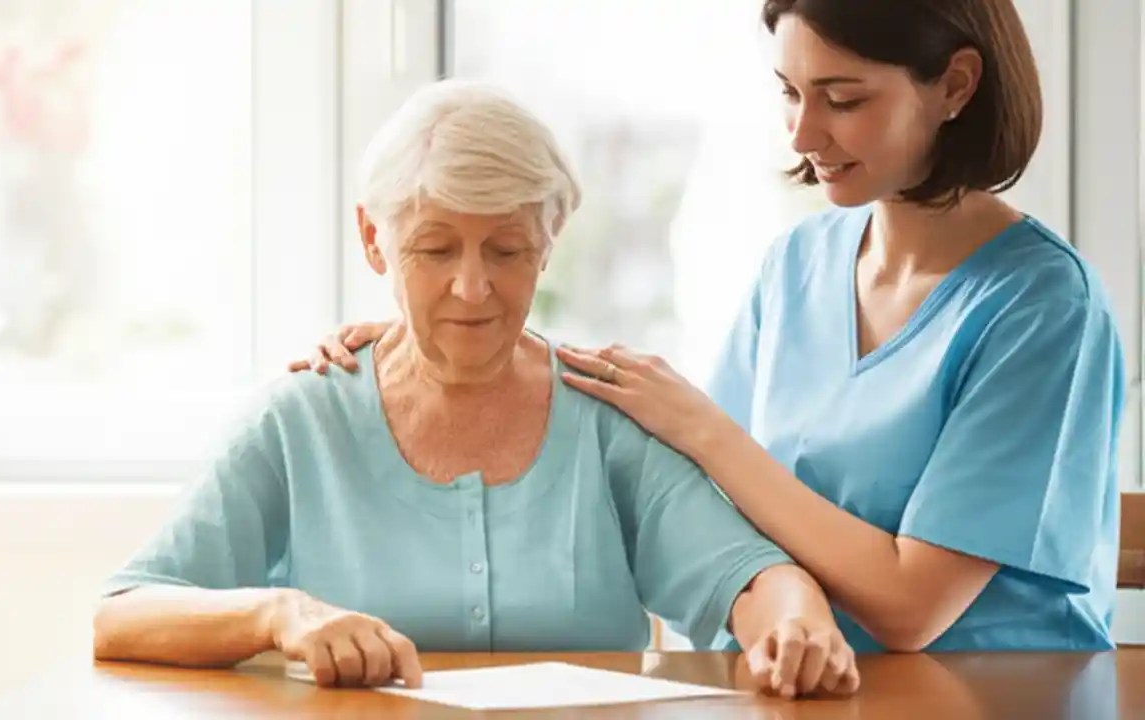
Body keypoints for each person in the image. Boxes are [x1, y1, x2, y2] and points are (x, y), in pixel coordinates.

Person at [294, 0, 1126, 653]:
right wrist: (423, 340)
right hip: (789, 685)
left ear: (955, 86)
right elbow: (700, 499)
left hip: (977, 696)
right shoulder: (799, 264)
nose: (802, 133)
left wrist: (707, 429)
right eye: (791, 93)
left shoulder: (1042, 309)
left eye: (843, 99)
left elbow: (912, 608)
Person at [94, 80, 861, 698]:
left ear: (547, 247)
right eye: (433, 249)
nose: (472, 287)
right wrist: (279, 615)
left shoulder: (604, 415)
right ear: (373, 240)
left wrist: (796, 624)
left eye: (506, 249)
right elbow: (122, 615)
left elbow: (749, 576)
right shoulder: (300, 417)